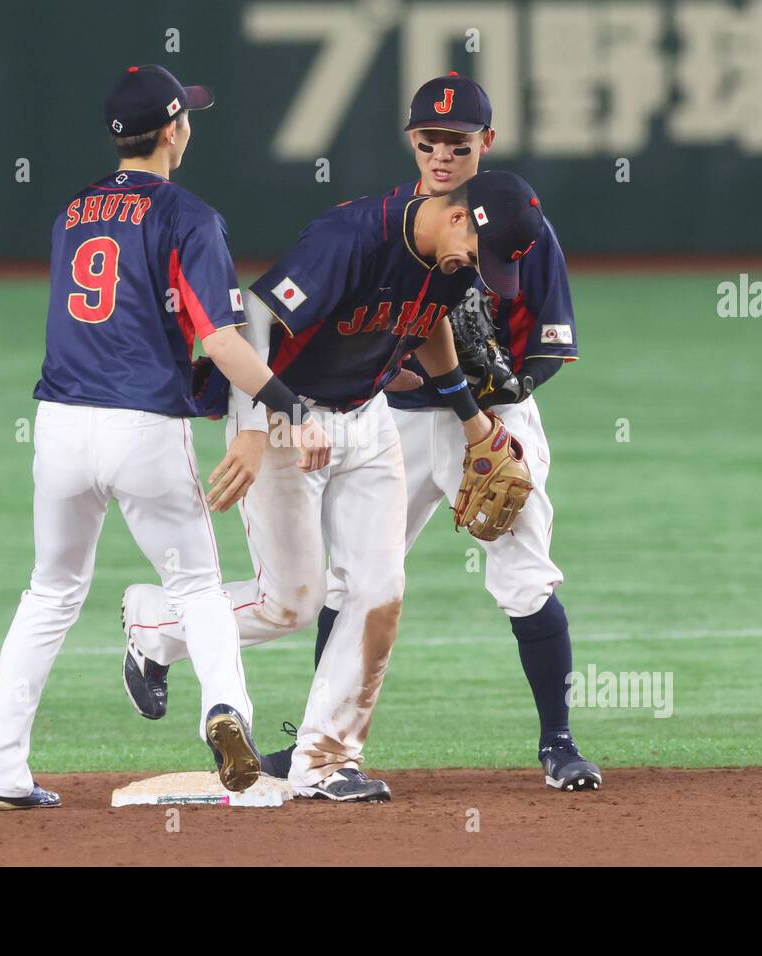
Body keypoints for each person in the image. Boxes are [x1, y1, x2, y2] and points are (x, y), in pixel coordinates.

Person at [122, 167, 548, 802]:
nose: (478, 272)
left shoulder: (451, 257)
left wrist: (472, 420)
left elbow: (428, 320)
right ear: (459, 217)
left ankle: (326, 759)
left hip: (369, 422)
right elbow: (254, 320)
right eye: (481, 257)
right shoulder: (349, 237)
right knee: (290, 603)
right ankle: (155, 621)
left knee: (379, 590)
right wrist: (258, 424)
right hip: (288, 420)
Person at [0, 64, 329, 811]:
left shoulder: (72, 213)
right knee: (197, 585)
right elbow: (226, 346)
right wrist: (291, 406)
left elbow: (118, 324)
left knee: (49, 592)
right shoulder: (188, 216)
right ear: (172, 130)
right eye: (186, 115)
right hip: (142, 432)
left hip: (61, 427)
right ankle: (226, 712)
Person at [266, 72, 602, 792]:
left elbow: (547, 341)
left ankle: (559, 743)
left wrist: (502, 399)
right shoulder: (387, 224)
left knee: (525, 579)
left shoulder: (520, 223)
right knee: (352, 584)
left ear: (487, 141)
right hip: (391, 424)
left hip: (490, 424)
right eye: (429, 141)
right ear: (413, 143)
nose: (442, 154)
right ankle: (315, 746)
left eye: (458, 141)